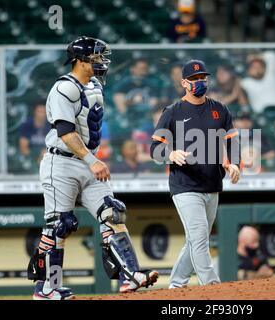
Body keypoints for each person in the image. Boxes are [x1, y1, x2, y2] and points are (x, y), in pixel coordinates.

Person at [26, 36, 158, 300]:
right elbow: (65, 131)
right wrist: (92, 160)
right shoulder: (64, 88)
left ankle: (130, 276)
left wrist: (93, 158)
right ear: (80, 60)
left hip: (88, 162)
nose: (101, 61)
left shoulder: (95, 85)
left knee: (113, 213)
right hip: (61, 163)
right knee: (59, 225)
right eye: (96, 56)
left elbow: (91, 127)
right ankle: (46, 289)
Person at [150, 59, 241, 288]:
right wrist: (170, 154)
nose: (200, 82)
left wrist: (234, 163)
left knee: (196, 240)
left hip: (212, 184)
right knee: (200, 237)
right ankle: (212, 286)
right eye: (194, 79)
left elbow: (231, 141)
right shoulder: (173, 112)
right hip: (185, 185)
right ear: (184, 83)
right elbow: (154, 149)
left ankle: (176, 284)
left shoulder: (219, 109)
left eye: (203, 78)